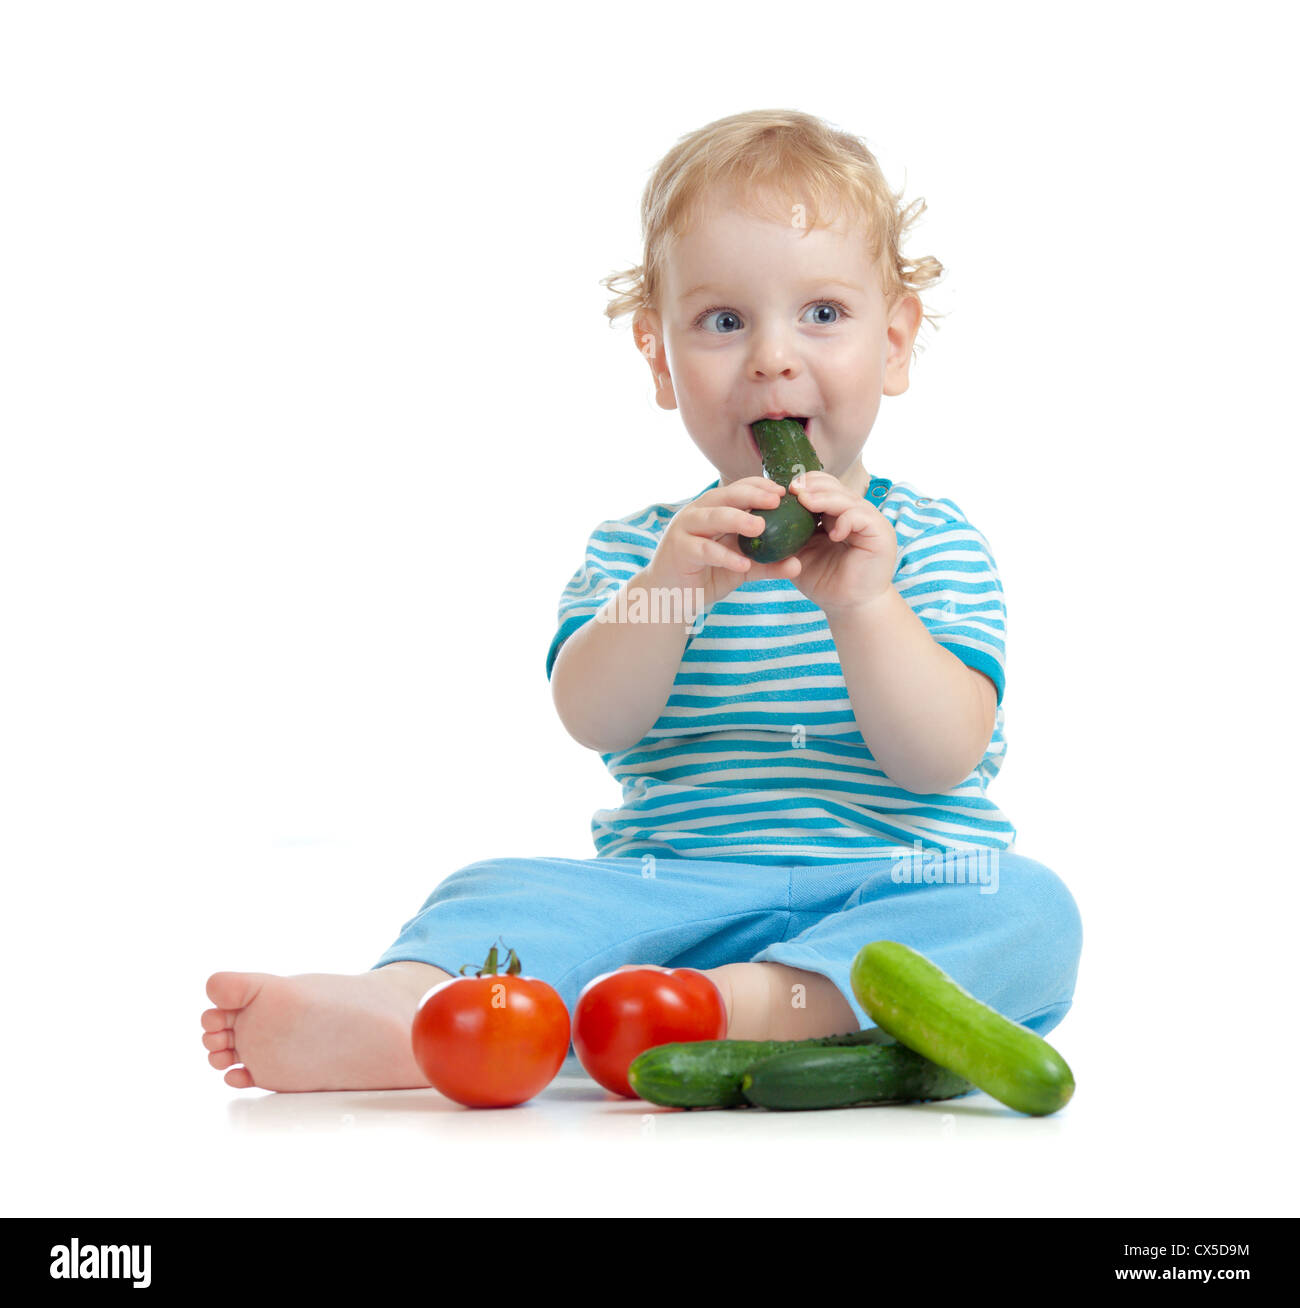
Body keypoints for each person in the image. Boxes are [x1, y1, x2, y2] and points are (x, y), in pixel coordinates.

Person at [201, 108, 1082, 1093]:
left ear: (895, 344)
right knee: (498, 889)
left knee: (1025, 909)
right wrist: (670, 594)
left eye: (822, 314)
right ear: (660, 359)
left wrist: (863, 609)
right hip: (667, 900)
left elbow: (938, 759)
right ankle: (408, 1010)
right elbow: (593, 717)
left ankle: (731, 1010)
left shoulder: (928, 546)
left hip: (885, 893)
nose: (771, 357)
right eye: (722, 321)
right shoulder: (639, 553)